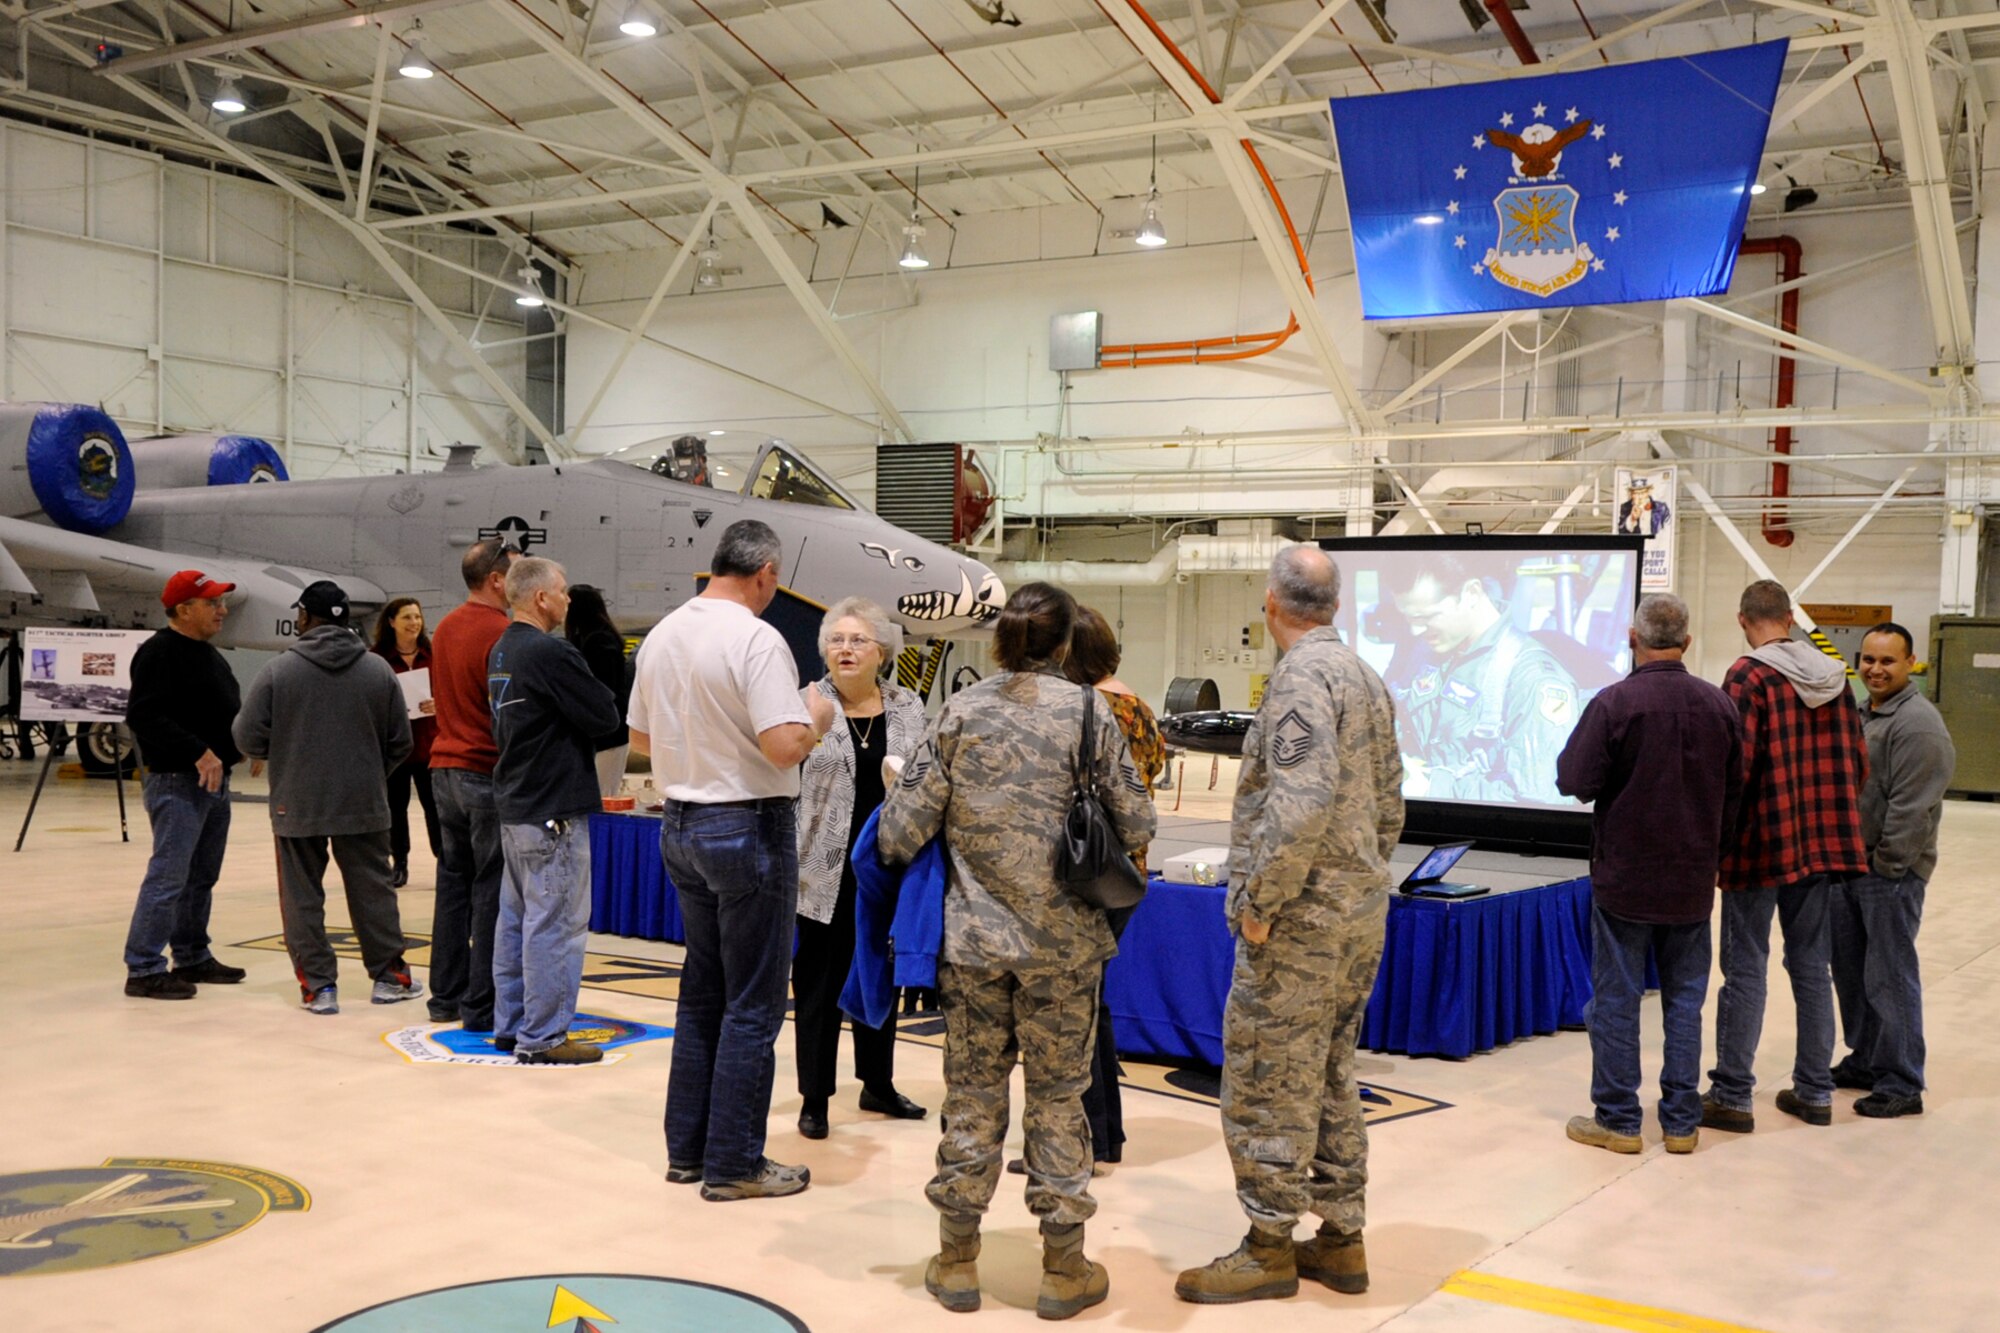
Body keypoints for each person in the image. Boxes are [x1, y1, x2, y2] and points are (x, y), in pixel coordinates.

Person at [881, 581, 1155, 1322]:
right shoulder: (1091, 712)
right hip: (1064, 950)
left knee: (971, 1097)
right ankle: (1064, 1268)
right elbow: (1137, 815)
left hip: (973, 948)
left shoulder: (960, 711)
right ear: (1065, 643)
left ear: (1000, 640)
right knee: (1060, 1099)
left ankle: (958, 1259)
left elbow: (898, 830)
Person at [1175, 548, 1402, 1306]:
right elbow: (1392, 803)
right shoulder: (1365, 676)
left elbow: (1299, 806)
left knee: (1271, 1072)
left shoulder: (1302, 680)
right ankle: (1340, 1234)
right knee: (1332, 1067)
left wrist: (1263, 903)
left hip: (1302, 918)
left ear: (1271, 602)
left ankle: (1270, 1241)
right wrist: (1359, 876)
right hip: (1358, 909)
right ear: (1331, 603)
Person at [629, 519, 837, 1202]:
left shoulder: (663, 632)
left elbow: (637, 737)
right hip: (747, 823)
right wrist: (817, 718)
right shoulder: (756, 636)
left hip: (681, 823)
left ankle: (687, 1152)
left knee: (702, 993)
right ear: (767, 572)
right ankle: (735, 1162)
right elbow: (783, 747)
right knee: (752, 1004)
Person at [1555, 593, 1742, 1156]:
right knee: (1685, 1001)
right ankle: (1682, 1122)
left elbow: (1574, 780)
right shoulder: (1720, 706)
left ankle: (1618, 1120)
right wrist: (1715, 855)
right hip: (1691, 880)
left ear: (1632, 639)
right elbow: (1735, 797)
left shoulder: (1614, 704)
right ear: (1687, 642)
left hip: (1625, 880)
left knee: (1616, 1000)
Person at [1702, 581, 1868, 1133]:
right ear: (1791, 621)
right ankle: (1816, 1092)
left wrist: (1717, 840)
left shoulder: (1748, 675)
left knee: (1745, 969)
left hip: (1762, 843)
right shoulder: (1835, 677)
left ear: (1744, 619)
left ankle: (1731, 1094)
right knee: (1812, 968)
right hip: (1823, 843)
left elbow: (1736, 769)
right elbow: (1858, 763)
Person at [233, 580, 422, 1015]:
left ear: (304, 618)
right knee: (374, 890)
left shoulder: (280, 671)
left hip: (297, 803)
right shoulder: (378, 671)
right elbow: (402, 741)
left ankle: (319, 988)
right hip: (364, 801)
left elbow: (247, 736)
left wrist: (283, 755)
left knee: (302, 896)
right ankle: (390, 979)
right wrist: (373, 774)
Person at [792, 597, 928, 1140]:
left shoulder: (907, 706)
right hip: (819, 866)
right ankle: (815, 1098)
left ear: (882, 652)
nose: (844, 649)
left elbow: (925, 773)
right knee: (820, 984)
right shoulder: (805, 702)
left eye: (857, 640)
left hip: (885, 863)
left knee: (879, 971)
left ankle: (878, 1082)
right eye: (835, 640)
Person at [488, 558, 621, 1064]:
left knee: (516, 920)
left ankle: (513, 1023)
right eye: (562, 591)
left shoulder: (503, 649)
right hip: (552, 807)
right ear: (541, 598)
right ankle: (543, 1037)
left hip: (517, 801)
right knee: (556, 923)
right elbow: (603, 714)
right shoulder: (549, 651)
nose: (568, 600)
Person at [1830, 623, 1956, 1119]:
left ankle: (1902, 1080)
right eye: (1868, 660)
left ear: (1910, 664)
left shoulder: (1918, 724)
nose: (1875, 670)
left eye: (1887, 661)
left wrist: (1886, 865)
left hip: (1889, 874)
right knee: (1853, 973)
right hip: (1851, 866)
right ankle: (1866, 1060)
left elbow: (1913, 807)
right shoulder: (1864, 713)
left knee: (1889, 975)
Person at [1060, 604, 1164, 1173]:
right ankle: (1105, 1135)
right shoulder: (1138, 707)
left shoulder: (1090, 709)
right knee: (1091, 1002)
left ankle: (1088, 1135)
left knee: (1076, 1008)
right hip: (1127, 871)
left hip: (1088, 869)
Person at [121, 570, 249, 1000]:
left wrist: (241, 745)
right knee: (169, 877)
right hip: (179, 782)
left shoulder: (209, 655)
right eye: (212, 603)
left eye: (220, 602)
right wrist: (199, 750)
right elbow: (143, 715)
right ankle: (143, 967)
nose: (222, 610)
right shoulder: (160, 652)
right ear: (183, 609)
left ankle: (192, 954)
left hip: (213, 782)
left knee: (200, 876)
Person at [1388, 555, 1578, 804]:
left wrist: (1429, 787)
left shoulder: (1531, 678)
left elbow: (1540, 799)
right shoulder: (1420, 654)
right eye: (1409, 618)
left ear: (1472, 593)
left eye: (1427, 617)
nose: (1416, 630)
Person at [427, 538, 515, 1031]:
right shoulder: (500, 633)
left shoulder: (445, 629)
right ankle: (480, 1001)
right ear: (496, 580)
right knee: (489, 889)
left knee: (452, 884)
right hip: (484, 770)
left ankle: (444, 995)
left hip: (444, 769)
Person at [370, 597, 440, 888]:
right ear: (391, 622)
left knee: (435, 807)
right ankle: (399, 862)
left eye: (417, 617)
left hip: (429, 745)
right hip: (395, 747)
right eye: (407, 617)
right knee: (395, 808)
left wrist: (439, 704)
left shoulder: (433, 654)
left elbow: (449, 690)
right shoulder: (378, 660)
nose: (414, 623)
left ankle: (444, 859)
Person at [563, 585, 632, 798]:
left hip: (609, 734)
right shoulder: (596, 638)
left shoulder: (598, 642)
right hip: (607, 732)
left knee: (602, 798)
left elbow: (603, 691)